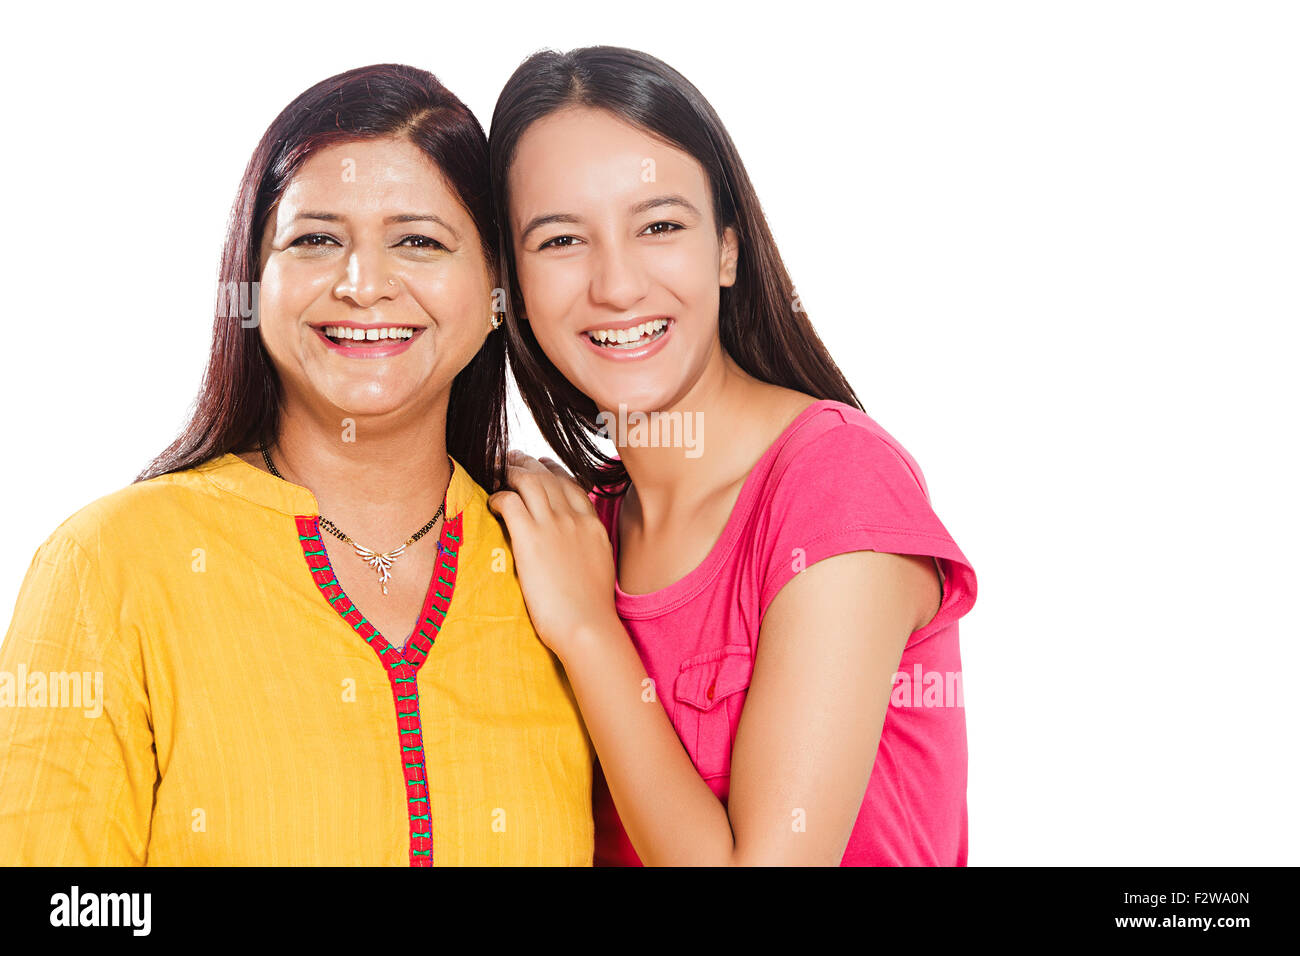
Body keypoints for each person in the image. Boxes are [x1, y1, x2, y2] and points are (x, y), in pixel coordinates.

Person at [0, 63, 593, 866]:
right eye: (316, 240)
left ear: (497, 288)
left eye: (418, 241)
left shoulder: (569, 567)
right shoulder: (110, 566)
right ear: (254, 280)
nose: (364, 285)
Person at [486, 46, 979, 865]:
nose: (616, 285)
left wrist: (589, 632)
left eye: (660, 226)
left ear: (727, 249)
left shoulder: (836, 486)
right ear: (515, 287)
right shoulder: (575, 528)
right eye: (562, 239)